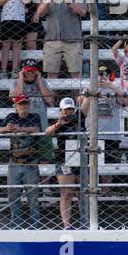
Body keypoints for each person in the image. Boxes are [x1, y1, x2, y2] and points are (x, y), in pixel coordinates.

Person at [0, 92, 44, 228]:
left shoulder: (34, 116)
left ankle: (35, 224)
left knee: (33, 196)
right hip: (14, 162)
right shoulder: (11, 116)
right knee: (13, 195)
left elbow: (36, 128)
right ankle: (15, 224)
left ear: (29, 105)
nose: (23, 107)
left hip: (31, 162)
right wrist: (7, 128)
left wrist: (19, 129)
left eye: (25, 104)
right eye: (20, 104)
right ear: (16, 106)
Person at [45, 93, 88, 230]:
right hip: (64, 159)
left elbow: (87, 103)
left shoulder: (79, 118)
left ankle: (85, 222)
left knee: (83, 193)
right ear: (61, 110)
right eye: (66, 109)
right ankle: (67, 225)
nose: (68, 112)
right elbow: (47, 132)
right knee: (66, 193)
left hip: (81, 158)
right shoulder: (59, 122)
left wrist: (90, 90)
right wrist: (58, 124)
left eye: (71, 109)